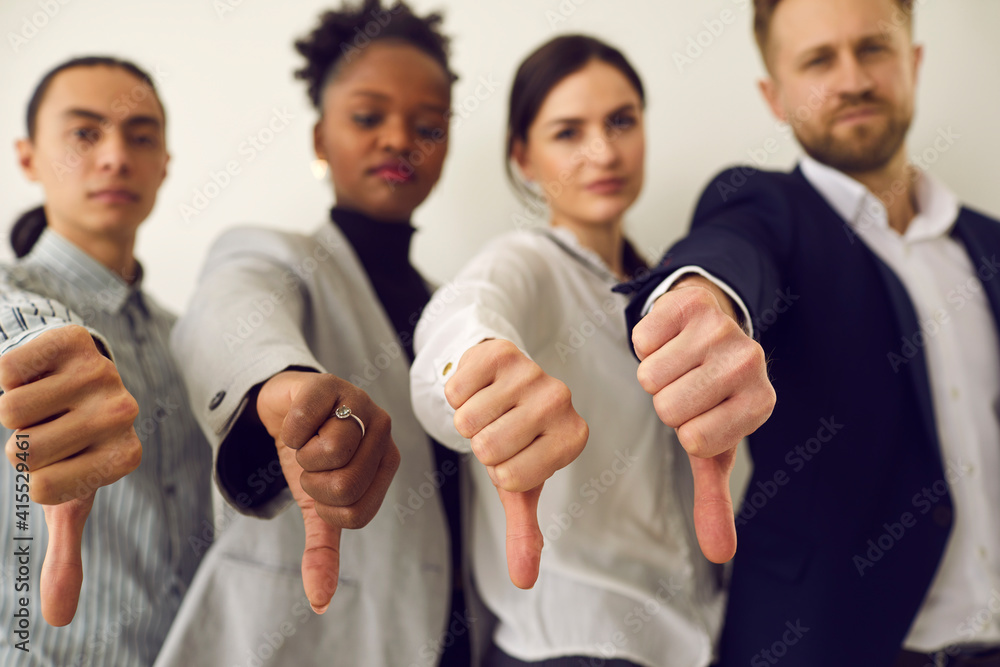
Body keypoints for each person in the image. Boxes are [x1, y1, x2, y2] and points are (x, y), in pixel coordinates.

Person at [154, 2, 580, 665]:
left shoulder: (456, 314)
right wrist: (276, 382)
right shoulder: (270, 253)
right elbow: (231, 309)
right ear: (321, 139)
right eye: (367, 116)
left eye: (428, 124)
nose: (398, 139)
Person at [619, 0, 1000, 664]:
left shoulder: (987, 243)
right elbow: (728, 248)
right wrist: (703, 294)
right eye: (819, 59)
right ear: (774, 96)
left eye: (874, 49)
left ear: (913, 63)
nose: (852, 78)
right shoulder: (769, 210)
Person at [410, 35, 775, 667]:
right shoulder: (524, 264)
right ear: (522, 156)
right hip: (570, 649)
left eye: (621, 121)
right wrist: (472, 371)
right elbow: (461, 315)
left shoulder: (670, 289)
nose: (603, 151)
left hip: (692, 640)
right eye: (567, 132)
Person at [0, 56, 212, 666]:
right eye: (84, 133)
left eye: (140, 136)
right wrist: (51, 354)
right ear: (27, 157)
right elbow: (17, 325)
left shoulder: (188, 338)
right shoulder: (12, 294)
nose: (116, 156)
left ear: (164, 164)